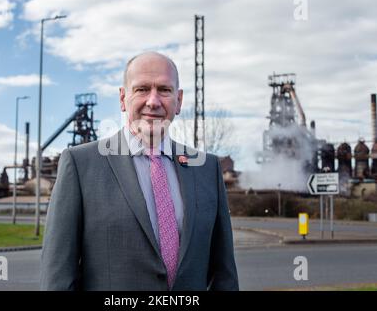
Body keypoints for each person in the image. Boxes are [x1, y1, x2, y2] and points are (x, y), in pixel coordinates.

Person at [40, 51, 239, 291]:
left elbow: (225, 275)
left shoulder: (207, 168)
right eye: (142, 89)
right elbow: (58, 279)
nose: (153, 101)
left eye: (164, 90)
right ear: (123, 99)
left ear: (179, 100)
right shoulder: (81, 165)